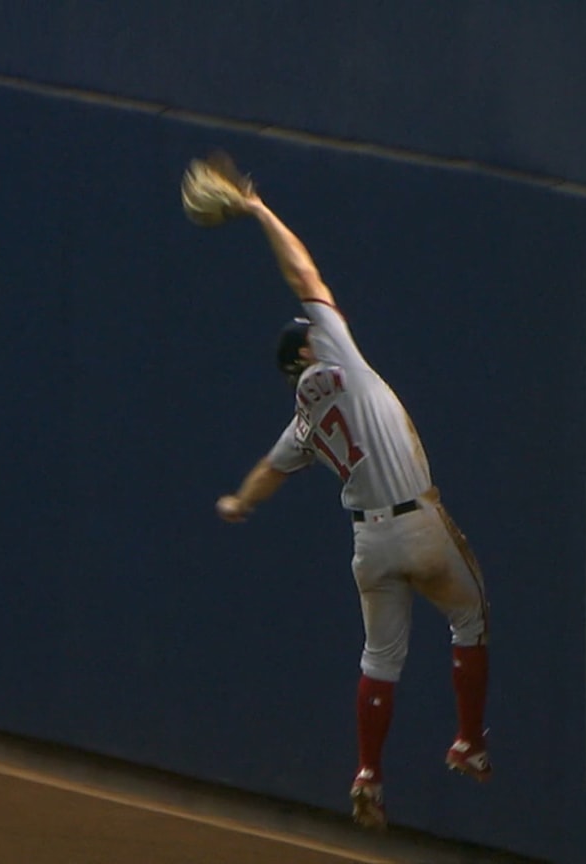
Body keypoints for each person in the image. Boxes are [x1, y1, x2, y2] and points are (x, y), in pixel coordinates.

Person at [211, 182, 491, 830]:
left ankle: (368, 771)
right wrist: (258, 210)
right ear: (309, 351)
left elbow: (267, 474)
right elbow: (302, 271)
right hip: (417, 519)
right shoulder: (338, 357)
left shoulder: (304, 421)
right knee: (471, 616)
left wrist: (235, 504)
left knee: (379, 661)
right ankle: (469, 742)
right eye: (310, 334)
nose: (317, 330)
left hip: (368, 545)